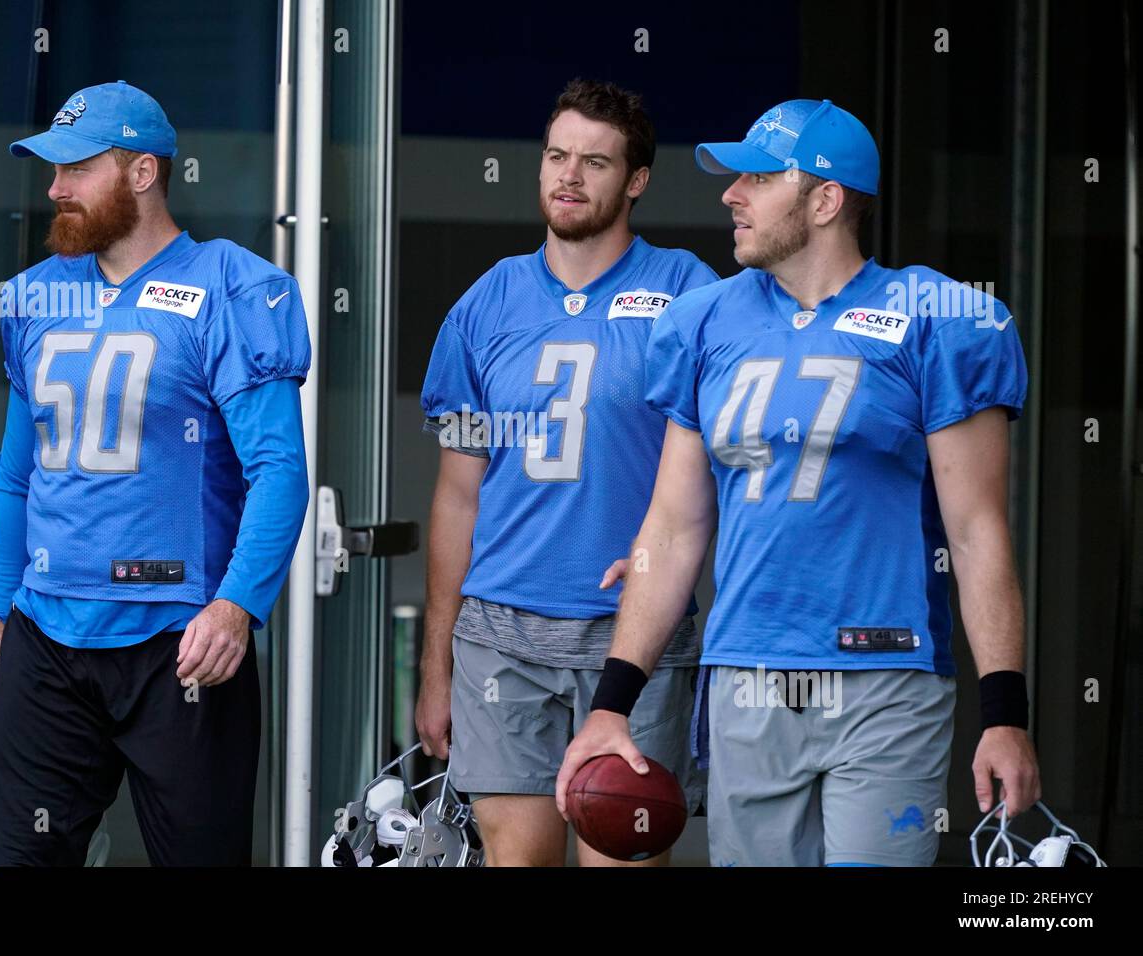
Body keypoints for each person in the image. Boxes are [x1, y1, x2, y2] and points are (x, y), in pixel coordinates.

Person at [558, 99, 1041, 866]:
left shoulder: (938, 317)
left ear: (825, 198)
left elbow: (978, 532)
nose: (731, 195)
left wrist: (1005, 713)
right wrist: (612, 705)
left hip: (887, 672)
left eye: (757, 175)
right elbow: (675, 528)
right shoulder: (703, 321)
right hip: (747, 672)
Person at [0, 81, 311, 865]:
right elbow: (14, 479)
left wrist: (237, 607)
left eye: (75, 169)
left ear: (141, 173)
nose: (54, 188)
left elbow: (279, 470)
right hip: (47, 637)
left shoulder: (231, 286)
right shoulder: (32, 297)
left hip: (179, 640)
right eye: (50, 170)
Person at [417, 79, 720, 866]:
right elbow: (457, 499)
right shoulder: (484, 304)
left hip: (634, 633)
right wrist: (436, 665)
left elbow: (731, 464)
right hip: (501, 636)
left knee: (618, 859)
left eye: (595, 161)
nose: (569, 176)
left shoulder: (689, 294)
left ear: (638, 180)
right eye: (557, 155)